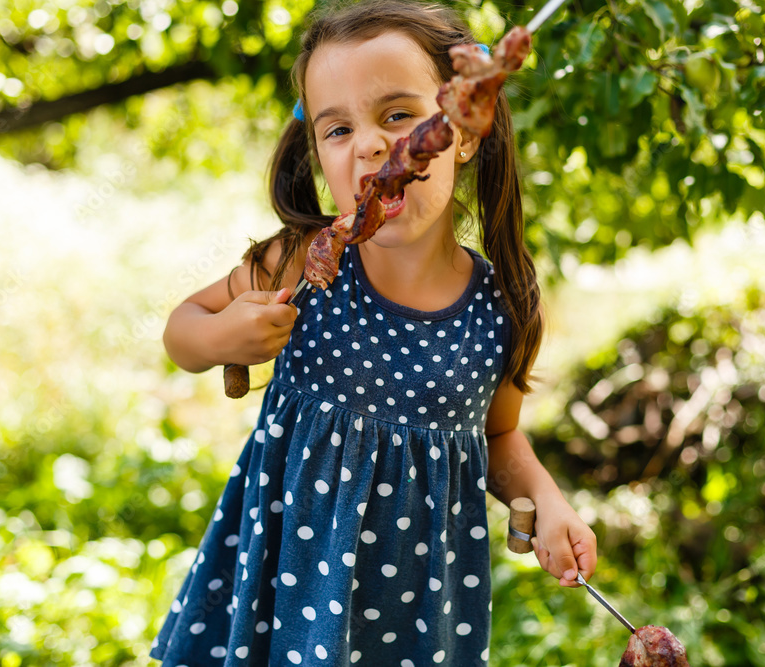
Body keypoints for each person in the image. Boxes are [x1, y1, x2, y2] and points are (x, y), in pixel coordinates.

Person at [149, 1, 597, 664]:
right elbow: (181, 329)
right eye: (337, 130)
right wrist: (221, 341)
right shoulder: (303, 265)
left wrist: (548, 499)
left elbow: (496, 433)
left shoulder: (500, 307)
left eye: (397, 115)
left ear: (464, 130)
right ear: (320, 154)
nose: (371, 145)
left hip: (414, 619)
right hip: (287, 595)